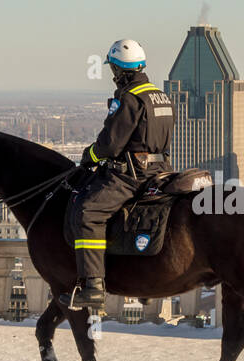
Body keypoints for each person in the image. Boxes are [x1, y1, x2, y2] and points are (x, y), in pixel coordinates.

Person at [61, 38, 173, 311]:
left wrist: (91, 155)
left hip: (132, 175)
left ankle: (93, 287)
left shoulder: (130, 97)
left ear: (121, 70)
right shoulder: (161, 95)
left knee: (87, 211)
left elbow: (110, 144)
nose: (112, 74)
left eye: (112, 69)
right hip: (161, 170)